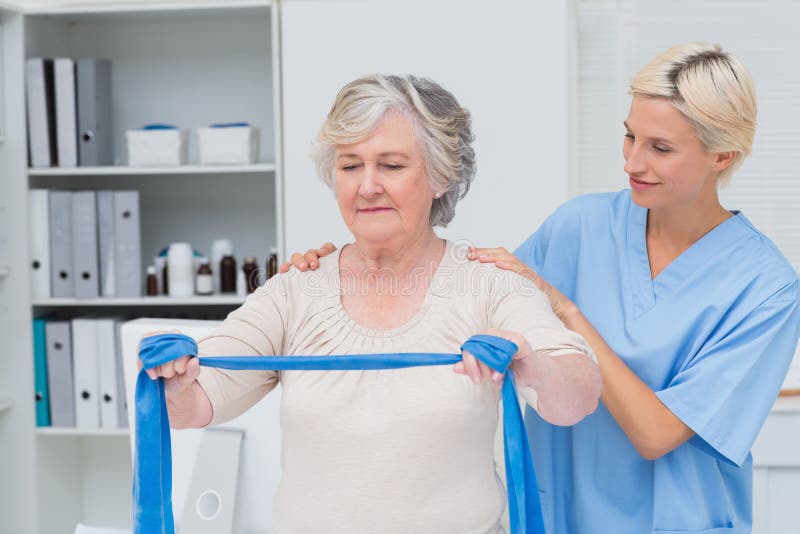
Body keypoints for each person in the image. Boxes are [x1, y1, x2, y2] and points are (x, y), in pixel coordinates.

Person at [284, 43, 800, 533]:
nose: (632, 163)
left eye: (660, 148)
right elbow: (459, 306)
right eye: (629, 137)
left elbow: (657, 433)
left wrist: (566, 310)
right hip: (556, 516)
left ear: (722, 156)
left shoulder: (765, 289)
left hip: (675, 521)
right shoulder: (579, 225)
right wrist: (350, 270)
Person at [141, 74, 601, 534]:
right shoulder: (295, 289)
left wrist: (529, 359)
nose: (368, 186)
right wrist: (177, 381)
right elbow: (195, 404)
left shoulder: (489, 284)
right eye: (350, 165)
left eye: (392, 165)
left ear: (440, 175)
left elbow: (575, 399)